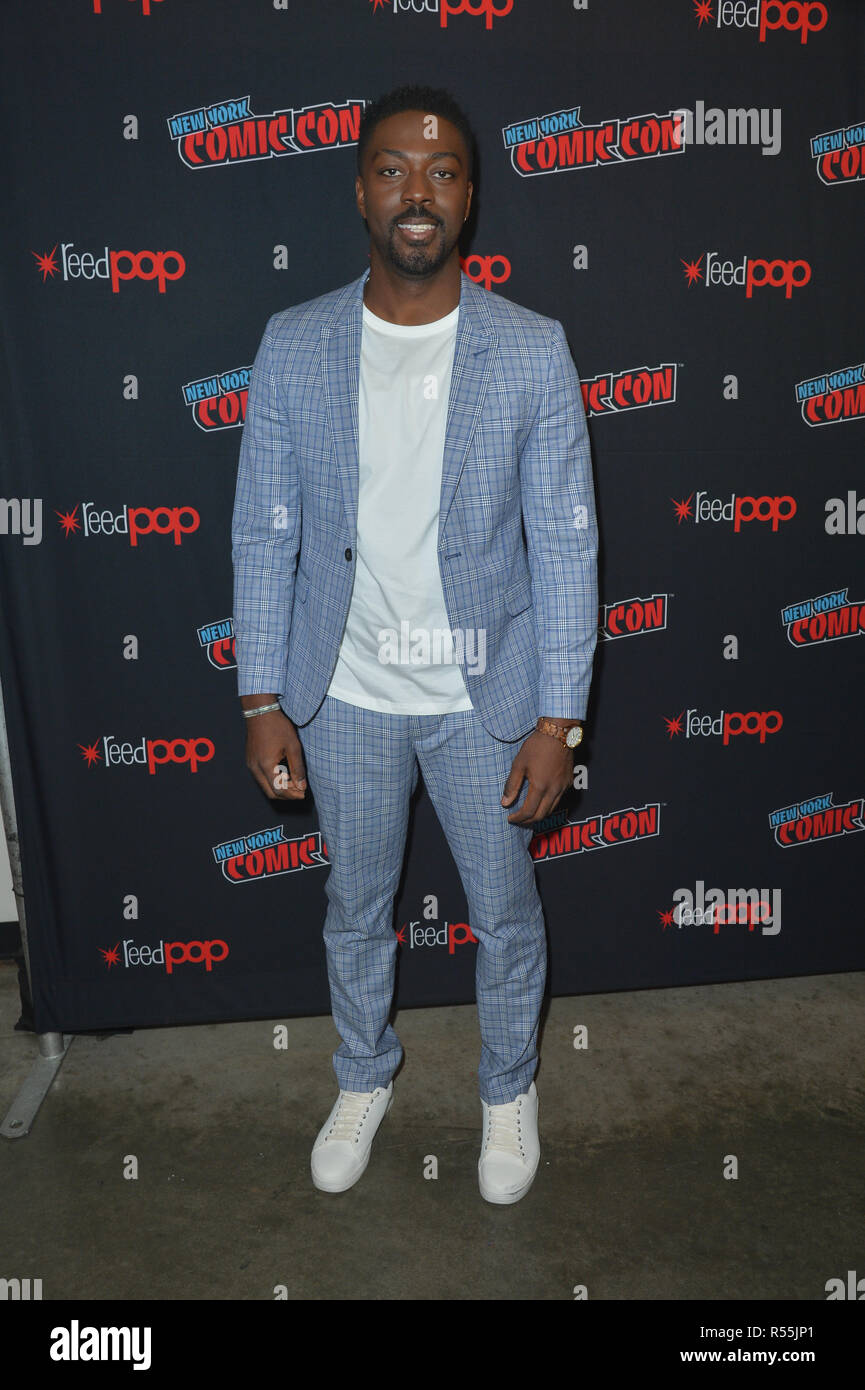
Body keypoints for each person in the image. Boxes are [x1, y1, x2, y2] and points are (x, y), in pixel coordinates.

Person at [231, 84, 598, 1205]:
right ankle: (361, 1076)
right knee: (355, 908)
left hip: (484, 697)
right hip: (340, 692)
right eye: (393, 169)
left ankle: (505, 1093)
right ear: (359, 190)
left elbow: (567, 542)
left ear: (470, 199)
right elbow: (264, 529)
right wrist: (261, 699)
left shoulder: (532, 352)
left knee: (507, 914)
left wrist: (558, 715)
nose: (417, 193)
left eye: (440, 173)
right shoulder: (292, 346)